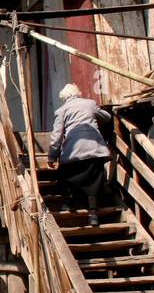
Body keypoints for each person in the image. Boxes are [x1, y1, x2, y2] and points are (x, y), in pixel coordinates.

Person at [47, 83, 112, 226]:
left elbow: (57, 135)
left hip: (73, 151)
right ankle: (93, 215)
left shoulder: (62, 111)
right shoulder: (90, 104)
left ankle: (68, 204)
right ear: (78, 93)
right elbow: (106, 117)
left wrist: (52, 155)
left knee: (67, 176)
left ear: (64, 98)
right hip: (95, 149)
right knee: (94, 180)